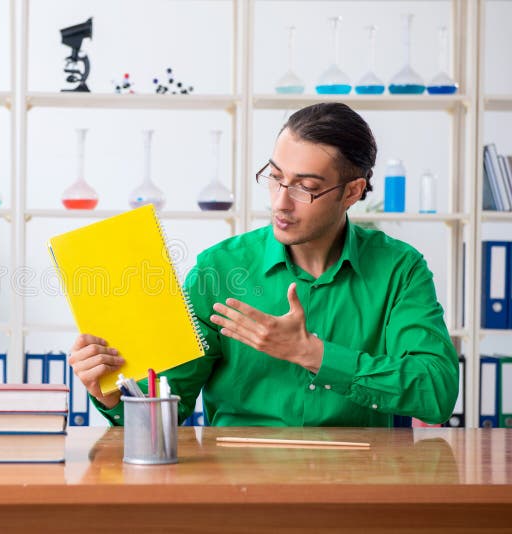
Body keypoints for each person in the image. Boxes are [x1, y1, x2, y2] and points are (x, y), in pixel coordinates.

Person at [68, 102, 459, 427]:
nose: (280, 203)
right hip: (237, 486)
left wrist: (312, 354)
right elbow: (163, 409)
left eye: (305, 187)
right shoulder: (219, 270)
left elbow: (436, 393)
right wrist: (115, 396)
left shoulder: (399, 270)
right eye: (274, 178)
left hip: (354, 482)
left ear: (352, 192)